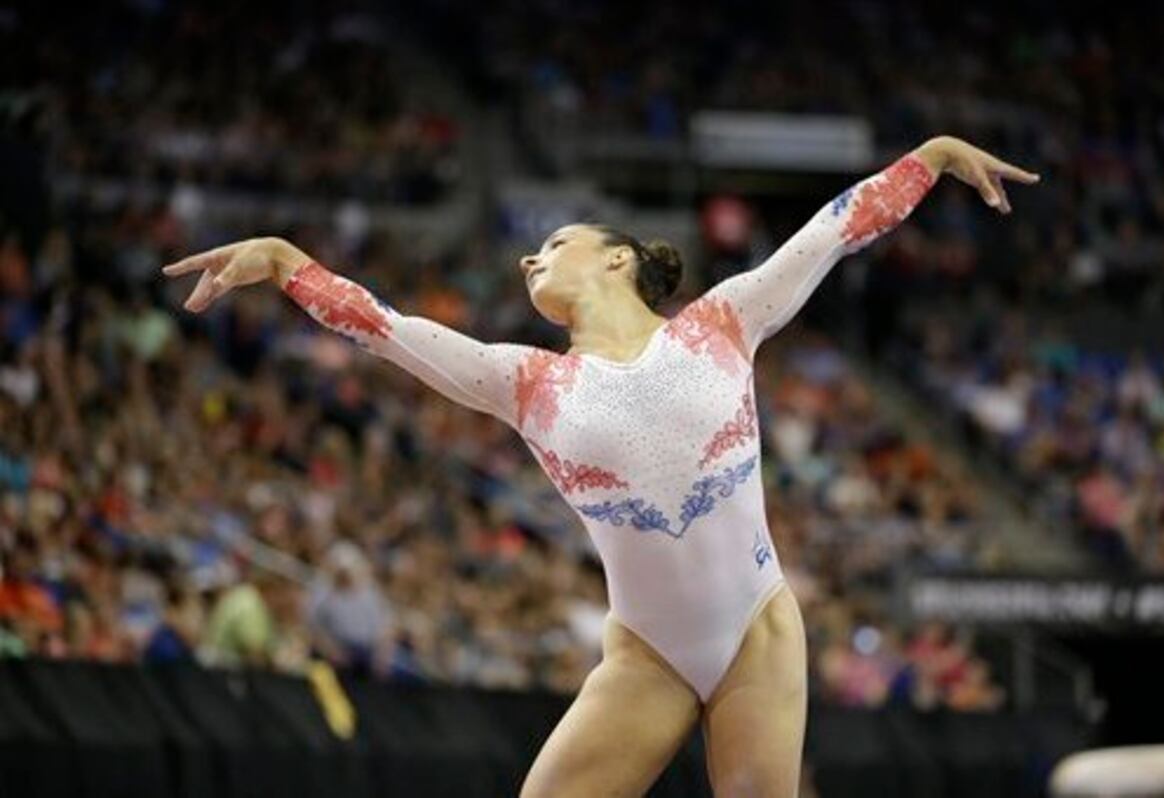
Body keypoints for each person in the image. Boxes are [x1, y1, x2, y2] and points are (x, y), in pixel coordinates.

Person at [162, 135, 1038, 797]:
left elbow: (830, 233)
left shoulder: (724, 320)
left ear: (617, 257)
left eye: (552, 241)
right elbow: (385, 329)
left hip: (757, 634)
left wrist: (930, 158)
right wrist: (284, 261)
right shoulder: (524, 381)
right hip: (647, 656)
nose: (527, 258)